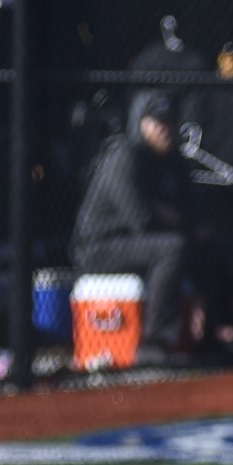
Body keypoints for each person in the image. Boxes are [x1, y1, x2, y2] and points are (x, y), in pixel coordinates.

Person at [71, 94, 189, 359]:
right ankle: (154, 342)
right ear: (140, 123)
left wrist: (176, 218)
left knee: (200, 245)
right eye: (158, 122)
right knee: (171, 248)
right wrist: (166, 215)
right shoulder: (123, 156)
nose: (165, 129)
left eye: (170, 122)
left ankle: (204, 335)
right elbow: (140, 218)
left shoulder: (170, 161)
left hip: (134, 243)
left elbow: (189, 214)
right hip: (99, 248)